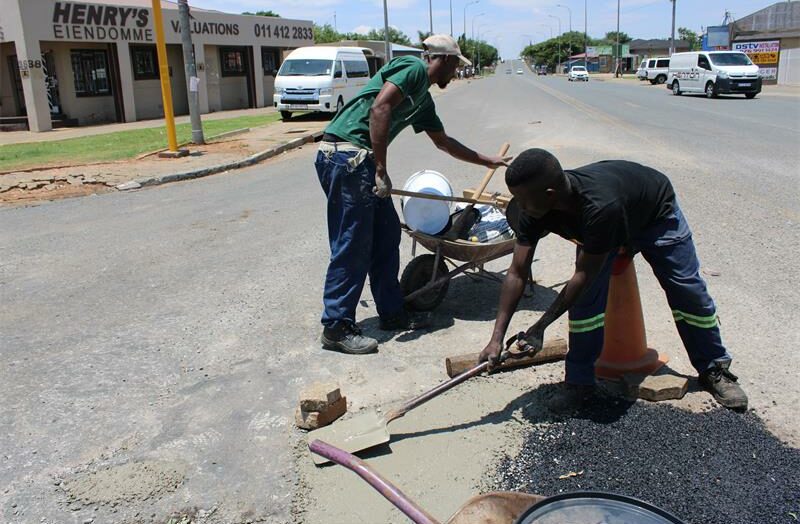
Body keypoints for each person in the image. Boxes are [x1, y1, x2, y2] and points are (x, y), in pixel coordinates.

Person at [479, 149, 748, 412]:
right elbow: (517, 272)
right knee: (585, 306)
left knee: (687, 291)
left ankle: (714, 368)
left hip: (654, 213)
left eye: (523, 201)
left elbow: (582, 276)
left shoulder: (599, 206)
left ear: (550, 195)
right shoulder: (531, 206)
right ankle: (579, 382)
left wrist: (539, 328)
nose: (519, 208)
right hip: (606, 224)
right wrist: (496, 338)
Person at [316, 34, 511, 355]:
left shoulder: (422, 100)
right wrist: (380, 169)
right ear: (445, 60)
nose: (455, 73)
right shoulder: (413, 69)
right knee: (352, 242)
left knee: (386, 236)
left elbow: (444, 142)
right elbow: (380, 108)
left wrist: (488, 159)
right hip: (346, 155)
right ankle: (336, 326)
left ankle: (392, 312)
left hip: (359, 159)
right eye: (455, 66)